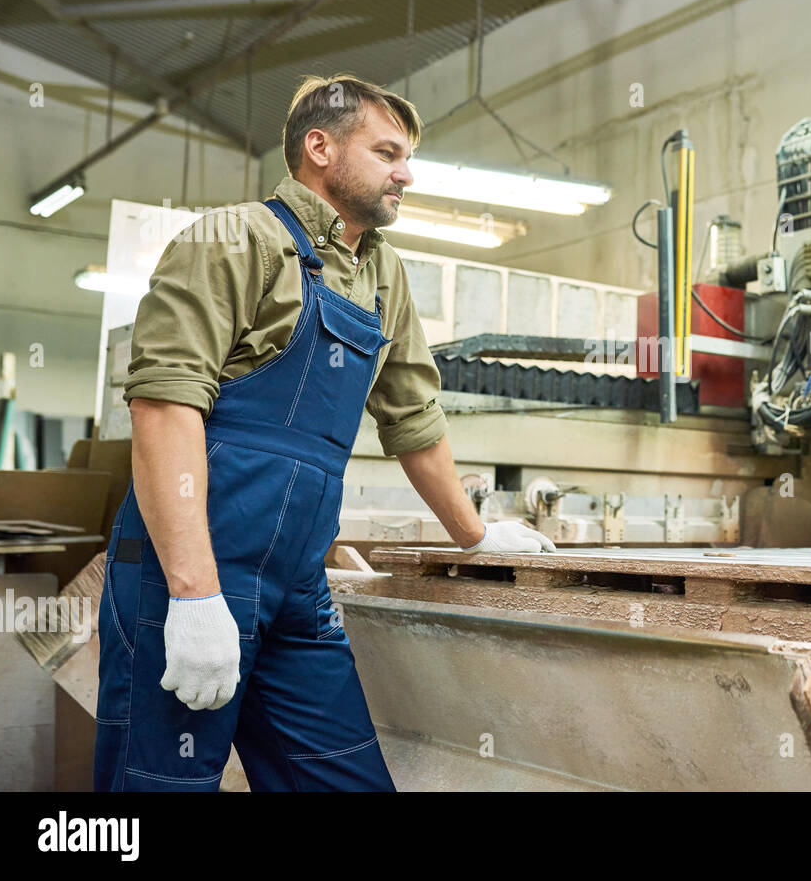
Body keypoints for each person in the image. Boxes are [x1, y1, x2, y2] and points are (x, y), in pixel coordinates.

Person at [95, 74, 554, 792]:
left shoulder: (383, 275)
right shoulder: (236, 237)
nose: (407, 173)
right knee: (159, 787)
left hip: (297, 589)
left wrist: (475, 534)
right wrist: (193, 592)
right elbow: (164, 406)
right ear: (320, 147)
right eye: (387, 152)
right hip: (186, 576)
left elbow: (414, 420)